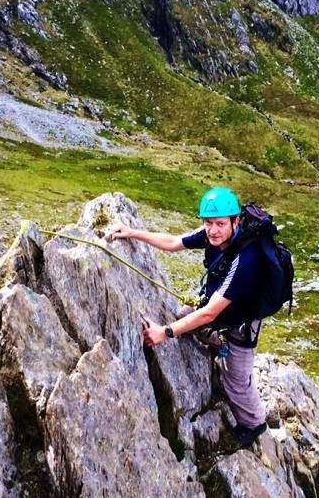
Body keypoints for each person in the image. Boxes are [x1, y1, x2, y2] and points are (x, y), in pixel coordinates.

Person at [109, 187, 267, 447]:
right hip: (219, 307)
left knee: (236, 382)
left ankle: (255, 423)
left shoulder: (245, 262)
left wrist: (165, 332)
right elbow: (174, 242)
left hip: (240, 321)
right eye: (208, 223)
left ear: (235, 222)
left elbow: (209, 312)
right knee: (184, 316)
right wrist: (133, 233)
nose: (213, 230)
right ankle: (217, 343)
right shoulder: (212, 236)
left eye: (220, 224)